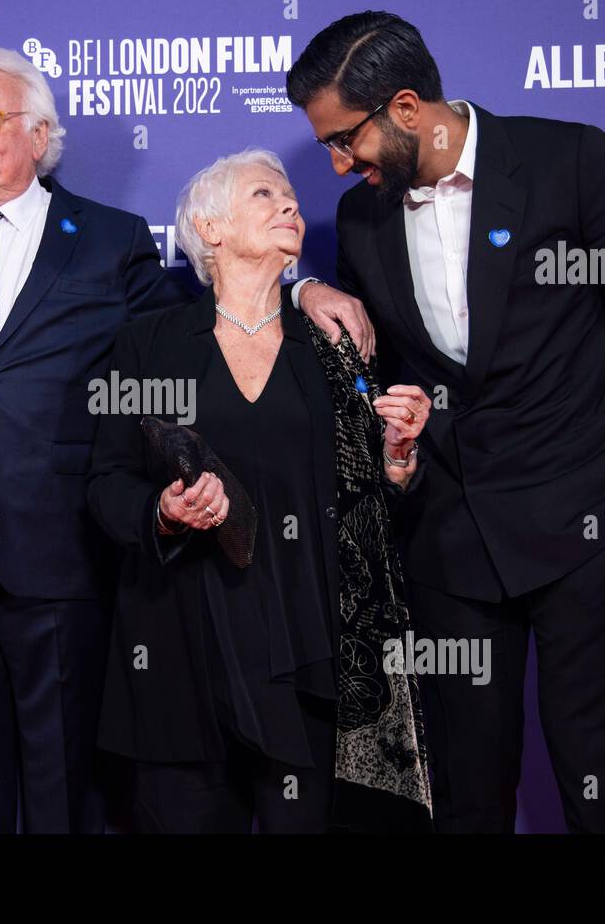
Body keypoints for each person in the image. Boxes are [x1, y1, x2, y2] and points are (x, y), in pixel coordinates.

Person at [0, 47, 376, 833]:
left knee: (63, 789)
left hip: (62, 553)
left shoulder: (106, 239)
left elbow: (200, 301)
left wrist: (299, 283)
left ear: (38, 135)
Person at [287, 11, 605, 832]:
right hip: (451, 545)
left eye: (345, 139)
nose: (340, 165)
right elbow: (394, 381)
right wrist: (306, 290)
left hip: (586, 528)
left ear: (406, 108)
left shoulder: (568, 162)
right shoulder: (368, 223)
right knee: (467, 796)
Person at [87, 149, 434, 833]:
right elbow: (105, 481)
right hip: (183, 651)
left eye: (293, 200)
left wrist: (399, 458)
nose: (290, 205)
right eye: (264, 194)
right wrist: (162, 510)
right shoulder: (149, 343)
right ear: (210, 230)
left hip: (309, 648)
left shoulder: (335, 343)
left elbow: (377, 502)